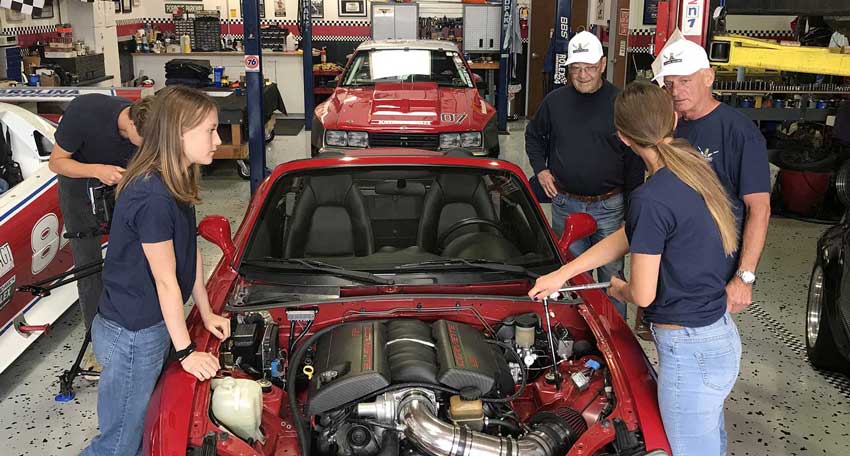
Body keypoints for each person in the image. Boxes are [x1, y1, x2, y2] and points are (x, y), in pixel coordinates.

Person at [529, 82, 742, 455]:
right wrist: (562, 274)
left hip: (689, 352)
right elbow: (634, 234)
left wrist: (618, 288)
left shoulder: (652, 196)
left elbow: (643, 294)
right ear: (673, 119)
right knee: (711, 444)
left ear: (623, 138)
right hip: (717, 337)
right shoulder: (692, 171)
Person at [81, 86, 229, 456]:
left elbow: (188, 251)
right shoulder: (151, 195)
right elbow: (165, 280)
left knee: (147, 431)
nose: (219, 139)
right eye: (210, 130)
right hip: (133, 334)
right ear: (177, 132)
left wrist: (206, 309)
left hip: (150, 325)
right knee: (119, 444)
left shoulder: (177, 178)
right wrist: (186, 352)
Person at [526, 31, 645, 318]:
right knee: (571, 273)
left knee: (611, 275)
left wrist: (632, 211)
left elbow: (634, 161)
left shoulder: (621, 103)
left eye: (589, 68)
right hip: (566, 204)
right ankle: (577, 331)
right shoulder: (555, 102)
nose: (582, 75)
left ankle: (613, 331)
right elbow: (533, 136)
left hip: (610, 206)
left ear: (603, 65)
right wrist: (541, 169)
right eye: (576, 69)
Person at [652, 39, 771, 314]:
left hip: (713, 270)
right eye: (668, 84)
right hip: (669, 265)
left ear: (708, 77)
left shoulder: (740, 132)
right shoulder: (669, 126)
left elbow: (759, 209)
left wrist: (744, 277)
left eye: (684, 81)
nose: (675, 91)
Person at [48, 93, 154, 371]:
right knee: (89, 264)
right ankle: (98, 345)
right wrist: (96, 170)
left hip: (124, 182)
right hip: (80, 183)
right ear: (132, 126)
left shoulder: (148, 124)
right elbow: (56, 162)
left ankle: (141, 330)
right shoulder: (85, 112)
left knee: (139, 254)